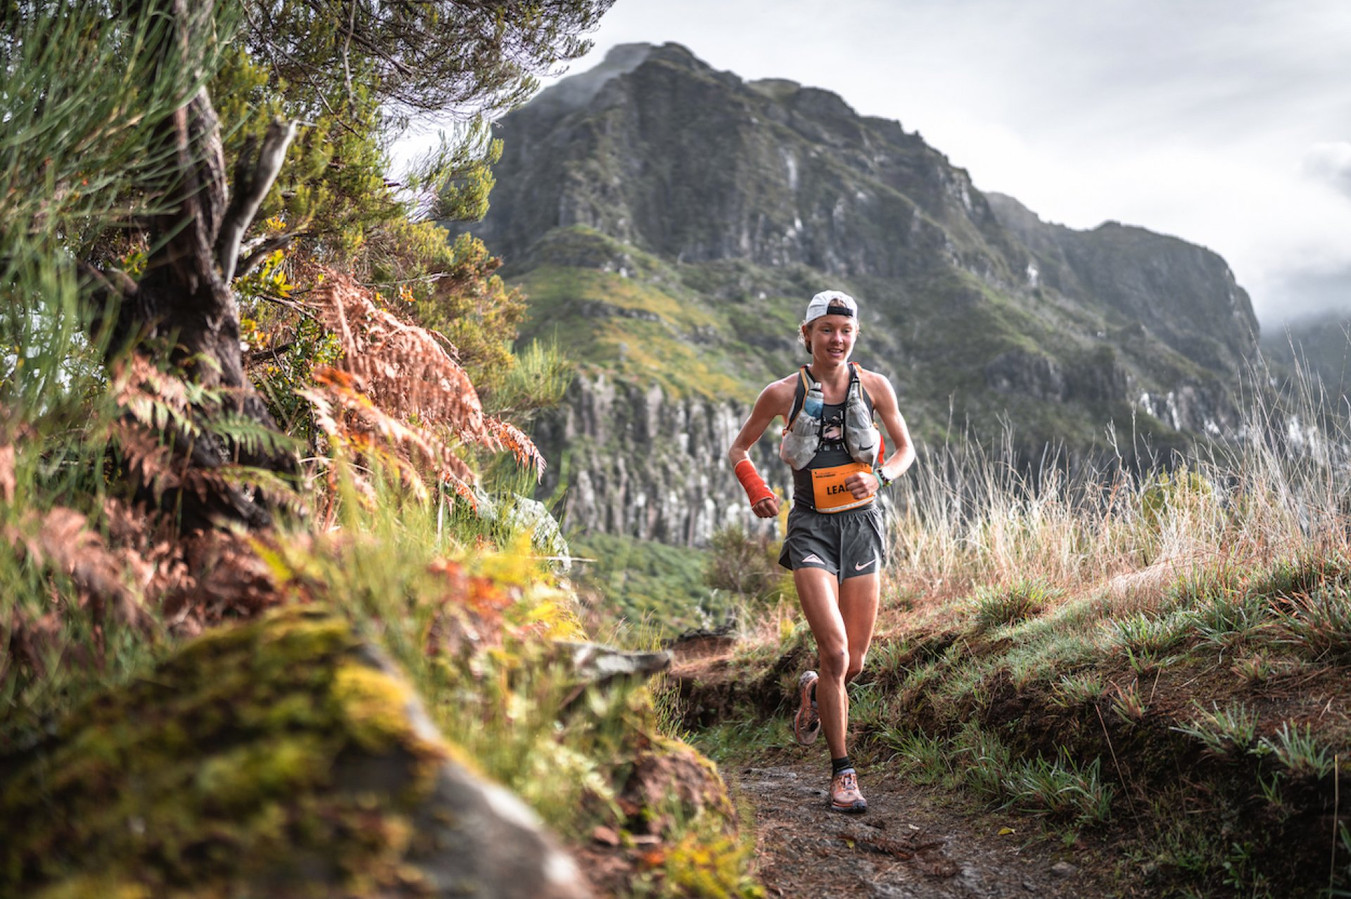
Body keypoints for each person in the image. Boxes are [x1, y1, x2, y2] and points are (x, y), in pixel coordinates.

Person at [727, 289, 915, 813]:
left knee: (851, 664)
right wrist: (756, 488)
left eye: (845, 331)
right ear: (807, 334)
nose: (836, 338)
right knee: (833, 652)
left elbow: (906, 450)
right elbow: (739, 448)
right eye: (826, 329)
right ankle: (843, 772)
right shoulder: (781, 393)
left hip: (861, 527)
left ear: (855, 336)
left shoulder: (874, 387)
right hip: (809, 528)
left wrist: (879, 478)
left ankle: (815, 692)